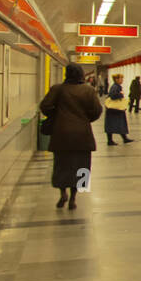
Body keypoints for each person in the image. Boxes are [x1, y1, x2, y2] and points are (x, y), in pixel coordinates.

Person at [40, 63, 103, 210]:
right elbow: (97, 111)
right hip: (82, 135)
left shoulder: (58, 89)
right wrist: (85, 119)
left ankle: (63, 193)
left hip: (61, 134)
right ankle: (74, 198)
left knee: (62, 165)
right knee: (81, 165)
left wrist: (57, 116)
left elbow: (45, 106)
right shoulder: (88, 90)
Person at [104, 73, 133, 145]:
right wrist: (121, 94)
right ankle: (120, 139)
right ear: (116, 79)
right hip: (115, 109)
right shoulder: (116, 87)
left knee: (113, 125)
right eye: (121, 78)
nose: (122, 80)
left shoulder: (115, 86)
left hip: (112, 110)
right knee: (118, 124)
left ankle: (121, 139)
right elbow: (113, 96)